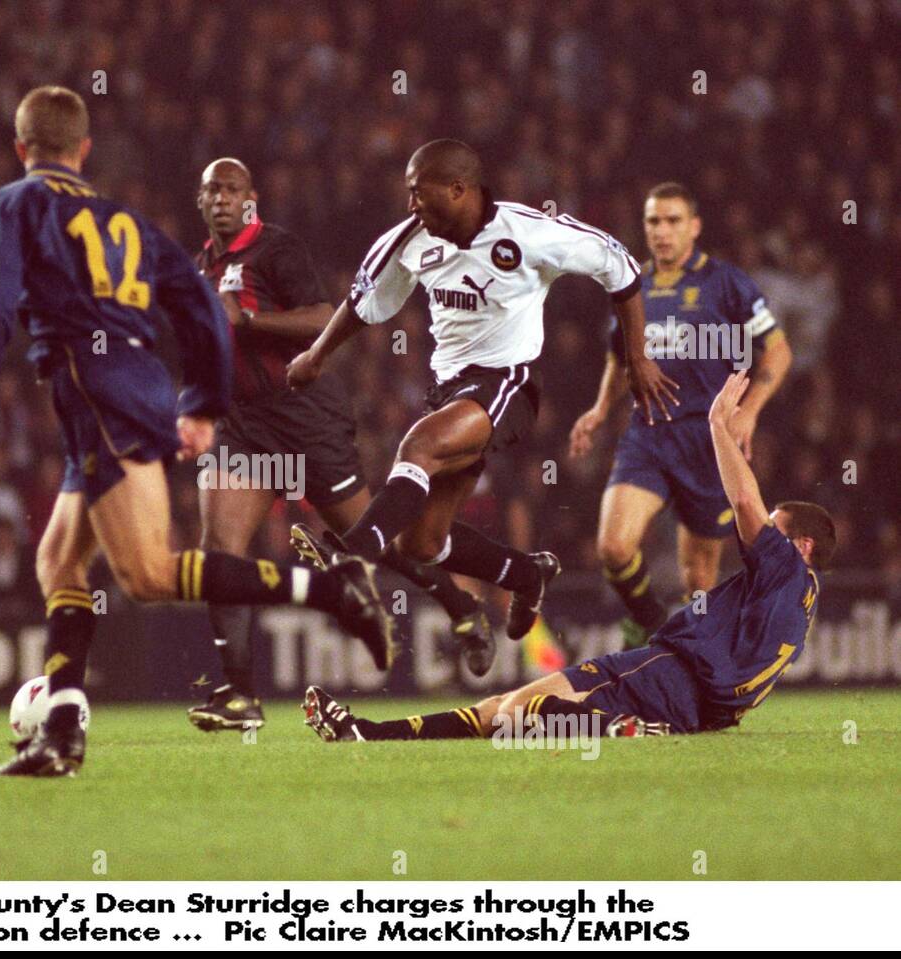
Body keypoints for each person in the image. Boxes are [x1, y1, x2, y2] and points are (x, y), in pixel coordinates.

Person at [0, 86, 393, 778]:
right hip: (131, 385)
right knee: (59, 562)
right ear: (83, 152)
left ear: (21, 149)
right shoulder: (125, 220)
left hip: (97, 391)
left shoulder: (11, 205)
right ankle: (61, 731)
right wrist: (204, 403)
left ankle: (329, 592)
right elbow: (205, 309)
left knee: (146, 575)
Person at [286, 139, 676, 668]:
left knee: (418, 446)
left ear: (458, 189)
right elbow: (363, 304)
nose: (410, 206)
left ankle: (355, 556)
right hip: (450, 393)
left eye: (417, 193)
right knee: (423, 543)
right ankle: (526, 574)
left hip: (508, 384)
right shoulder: (409, 241)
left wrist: (639, 359)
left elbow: (622, 269)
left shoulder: (530, 232)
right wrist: (316, 355)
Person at [304, 373, 832, 743]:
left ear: (802, 545)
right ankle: (368, 733)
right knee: (501, 714)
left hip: (669, 674)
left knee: (524, 712)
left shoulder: (787, 567)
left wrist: (718, 425)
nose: (760, 535)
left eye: (776, 528)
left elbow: (744, 501)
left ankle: (620, 729)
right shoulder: (797, 601)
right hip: (695, 702)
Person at [186, 157, 372, 731]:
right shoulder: (201, 267)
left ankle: (468, 597)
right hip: (244, 425)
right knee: (219, 550)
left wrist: (247, 319)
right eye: (210, 188)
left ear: (251, 198)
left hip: (302, 416)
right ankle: (241, 696)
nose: (220, 197)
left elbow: (324, 318)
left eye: (231, 187)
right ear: (200, 201)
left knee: (375, 539)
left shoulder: (278, 250)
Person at [569, 182, 792, 648]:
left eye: (672, 220)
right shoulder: (635, 286)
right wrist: (599, 408)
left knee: (699, 581)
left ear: (694, 227)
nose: (662, 231)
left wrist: (748, 412)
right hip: (647, 434)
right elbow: (620, 355)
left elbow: (777, 352)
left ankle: (691, 671)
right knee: (613, 548)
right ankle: (647, 619)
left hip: (707, 444)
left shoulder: (726, 283)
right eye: (653, 221)